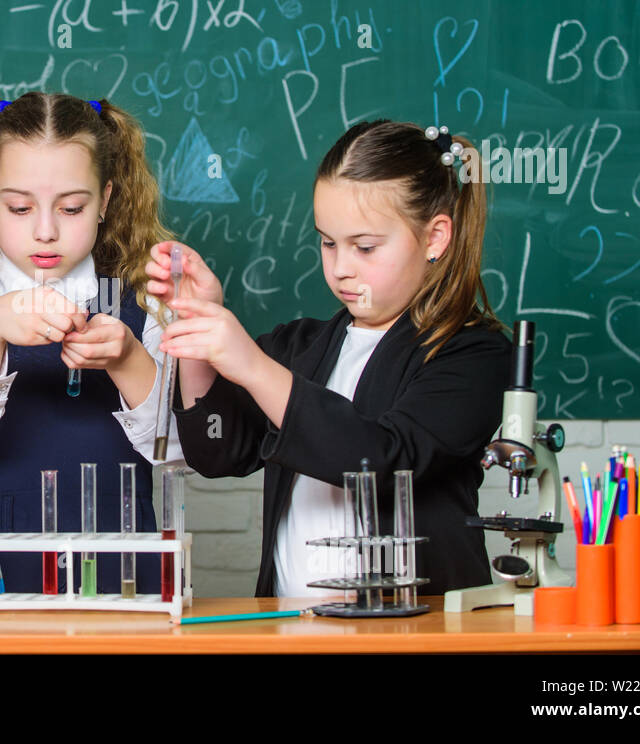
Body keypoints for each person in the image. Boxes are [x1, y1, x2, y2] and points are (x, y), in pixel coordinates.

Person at [150, 120, 510, 597]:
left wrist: (254, 368)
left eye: (365, 247)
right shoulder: (301, 346)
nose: (341, 268)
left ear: (436, 237)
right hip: (293, 630)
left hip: (415, 635)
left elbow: (382, 460)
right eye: (327, 242)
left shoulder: (474, 354)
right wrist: (197, 329)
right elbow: (218, 452)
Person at [0, 92, 182, 597]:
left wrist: (128, 360)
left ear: (105, 201)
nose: (45, 231)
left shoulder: (146, 294)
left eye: (72, 207)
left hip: (128, 571)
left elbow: (179, 453)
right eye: (18, 207)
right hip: (0, 574)